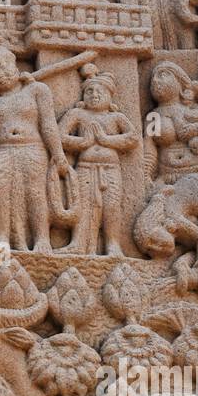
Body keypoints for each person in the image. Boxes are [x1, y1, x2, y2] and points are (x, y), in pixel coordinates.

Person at [0, 42, 71, 252]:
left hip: (32, 147)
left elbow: (48, 124)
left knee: (35, 192)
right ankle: (0, 238)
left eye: (4, 66)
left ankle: (42, 239)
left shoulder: (36, 90)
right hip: (2, 149)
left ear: (15, 65)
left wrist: (57, 153)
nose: (1, 74)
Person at [58, 66, 137, 255]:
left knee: (111, 205)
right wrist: (82, 142)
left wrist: (106, 140)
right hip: (85, 166)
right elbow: (59, 136)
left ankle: (112, 245)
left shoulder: (116, 117)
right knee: (84, 204)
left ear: (110, 96)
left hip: (110, 168)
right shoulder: (77, 115)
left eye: (100, 91)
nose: (94, 95)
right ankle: (78, 243)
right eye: (89, 91)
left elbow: (132, 138)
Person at [145, 60, 198, 184]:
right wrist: (146, 173)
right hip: (167, 175)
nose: (155, 81)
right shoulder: (153, 116)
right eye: (153, 78)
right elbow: (149, 144)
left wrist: (196, 128)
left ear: (180, 83)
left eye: (163, 75)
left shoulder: (191, 108)